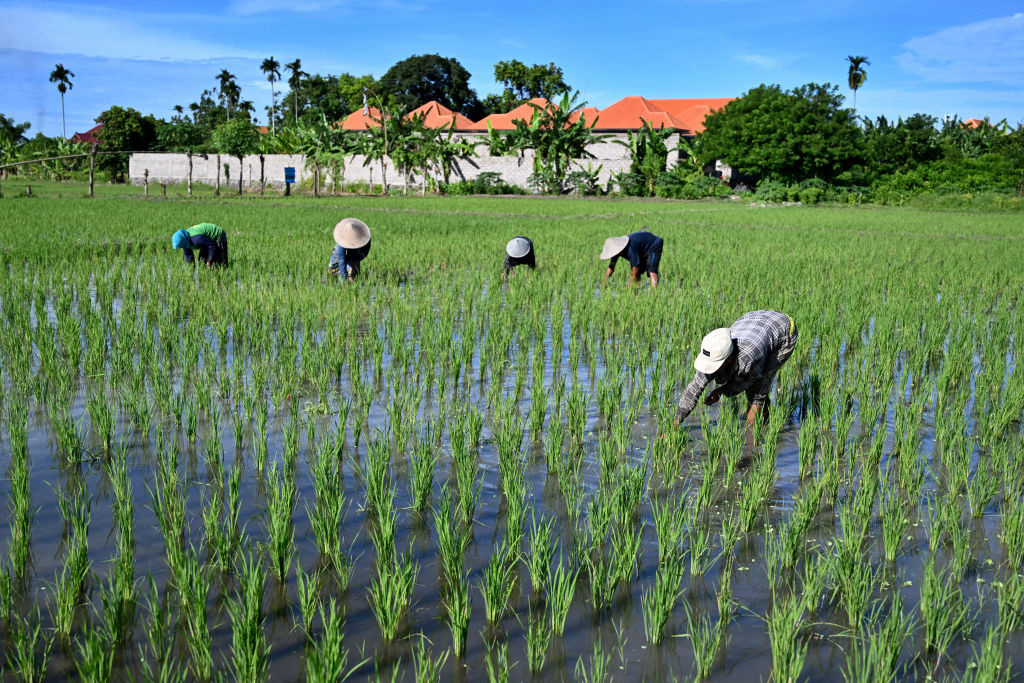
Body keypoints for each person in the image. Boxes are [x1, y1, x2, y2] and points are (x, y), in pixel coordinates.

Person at [674, 310, 799, 428]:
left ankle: (757, 436)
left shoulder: (749, 357)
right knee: (747, 384)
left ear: (728, 359)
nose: (710, 368)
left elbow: (748, 383)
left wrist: (722, 390)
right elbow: (693, 390)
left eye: (715, 364)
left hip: (783, 331)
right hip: (752, 321)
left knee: (757, 391)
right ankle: (763, 427)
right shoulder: (714, 350)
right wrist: (675, 424)